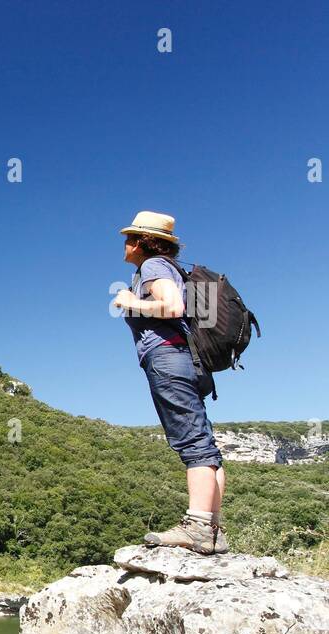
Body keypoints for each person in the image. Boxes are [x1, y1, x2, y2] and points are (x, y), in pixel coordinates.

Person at [113, 211, 227, 555]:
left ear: (143, 242)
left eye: (130, 237)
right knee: (205, 447)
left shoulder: (153, 267)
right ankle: (212, 528)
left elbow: (172, 305)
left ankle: (197, 526)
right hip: (191, 362)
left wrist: (129, 300)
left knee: (193, 445)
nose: (125, 243)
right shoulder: (172, 269)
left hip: (169, 359)